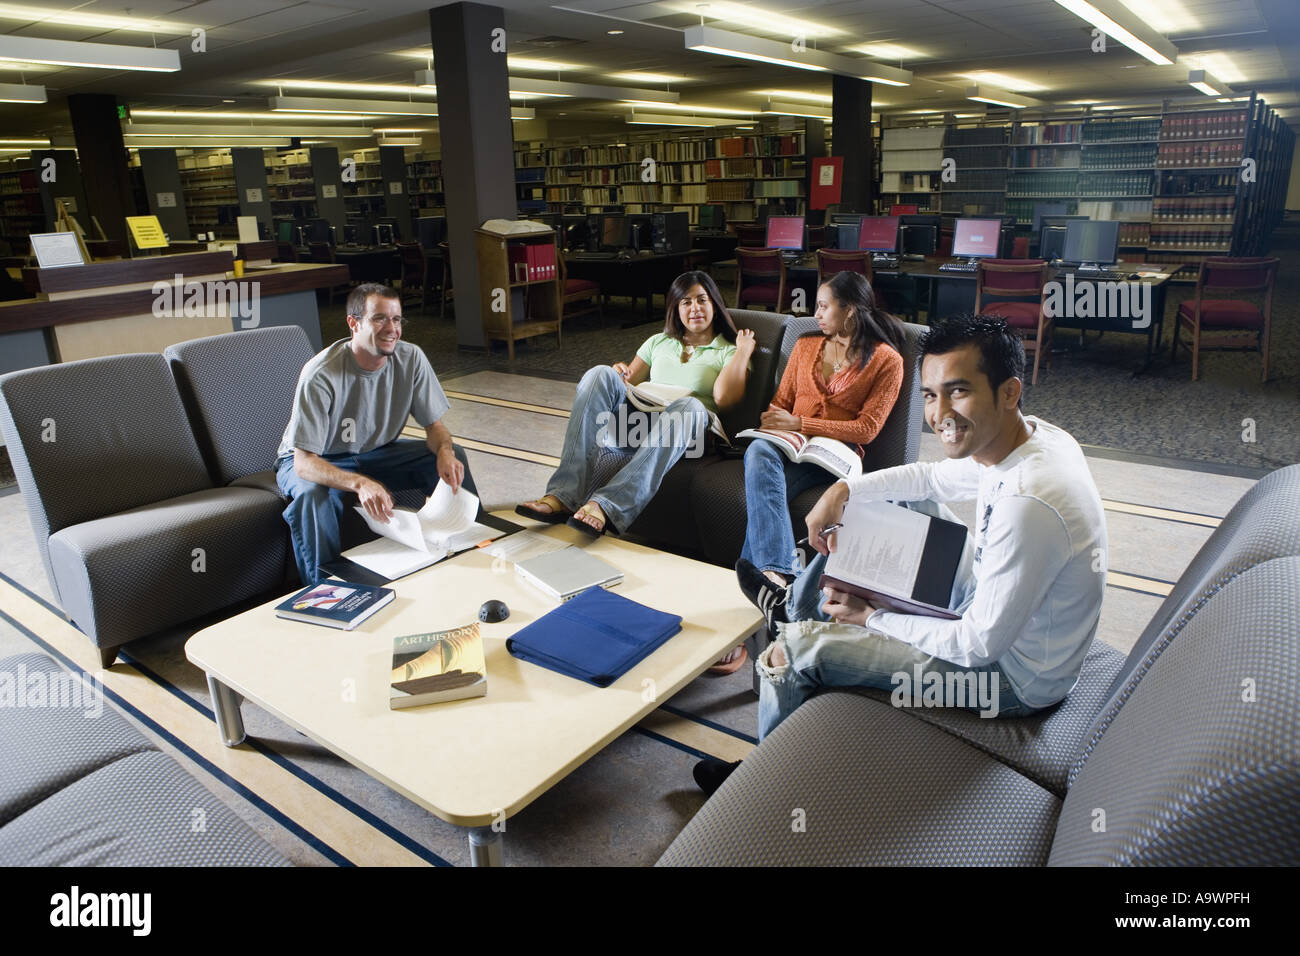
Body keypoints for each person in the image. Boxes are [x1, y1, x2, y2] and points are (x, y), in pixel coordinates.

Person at [696, 314, 1107, 794]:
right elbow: (930, 481)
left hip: (1014, 680)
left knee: (794, 651)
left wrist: (871, 618)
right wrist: (845, 488)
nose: (941, 415)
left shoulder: (1029, 502)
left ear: (1009, 392)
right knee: (892, 497)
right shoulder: (1034, 438)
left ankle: (759, 786)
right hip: (1001, 610)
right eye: (931, 396)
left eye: (959, 391)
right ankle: (795, 607)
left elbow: (977, 648)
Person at [711, 271, 905, 675]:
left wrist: (800, 425)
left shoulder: (887, 360)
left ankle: (746, 624)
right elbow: (779, 403)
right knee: (760, 450)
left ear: (849, 311)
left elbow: (867, 428)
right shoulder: (805, 347)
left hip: (835, 461)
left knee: (766, 480)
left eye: (823, 305)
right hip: (788, 452)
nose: (814, 312)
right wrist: (774, 423)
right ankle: (780, 579)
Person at [518, 271, 755, 536]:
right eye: (686, 302)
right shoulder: (658, 342)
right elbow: (628, 384)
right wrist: (618, 374)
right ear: (676, 309)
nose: (695, 308)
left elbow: (725, 399)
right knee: (600, 373)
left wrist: (743, 350)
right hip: (639, 425)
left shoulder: (728, 350)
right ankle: (562, 495)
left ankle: (608, 505)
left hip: (690, 436)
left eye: (702, 300)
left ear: (715, 304)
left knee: (689, 405)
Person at [275, 282, 477, 585]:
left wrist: (445, 451)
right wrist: (360, 483)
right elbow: (304, 463)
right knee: (312, 497)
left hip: (375, 452)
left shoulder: (411, 358)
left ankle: (471, 547)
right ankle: (323, 590)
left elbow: (435, 428)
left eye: (396, 319)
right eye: (380, 318)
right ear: (353, 323)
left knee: (450, 455)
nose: (391, 329)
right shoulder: (321, 374)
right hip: (313, 457)